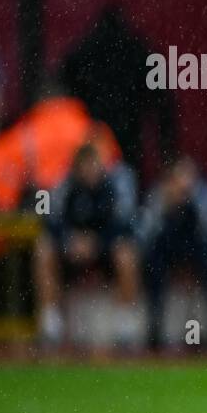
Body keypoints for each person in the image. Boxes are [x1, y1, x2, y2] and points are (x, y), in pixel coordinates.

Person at [33, 143, 141, 349]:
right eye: (86, 165)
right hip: (71, 252)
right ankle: (51, 322)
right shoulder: (65, 186)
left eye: (95, 165)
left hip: (104, 251)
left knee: (126, 253)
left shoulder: (112, 187)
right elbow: (49, 221)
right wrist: (70, 240)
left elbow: (125, 224)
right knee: (43, 248)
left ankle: (124, 324)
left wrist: (96, 242)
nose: (91, 170)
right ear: (77, 167)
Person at [138, 156, 207, 351]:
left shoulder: (202, 195)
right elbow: (145, 233)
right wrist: (168, 206)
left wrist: (190, 205)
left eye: (188, 176)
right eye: (180, 176)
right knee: (153, 264)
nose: (184, 182)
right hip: (167, 249)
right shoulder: (159, 195)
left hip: (196, 248)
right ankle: (155, 328)